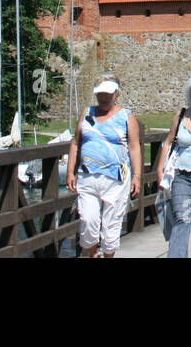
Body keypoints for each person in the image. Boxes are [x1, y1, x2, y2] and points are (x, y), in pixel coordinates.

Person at [66, 76, 142, 258]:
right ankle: (92, 253)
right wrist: (70, 171)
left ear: (116, 93)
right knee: (88, 220)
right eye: (100, 94)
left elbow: (134, 146)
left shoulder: (126, 116)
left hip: (116, 178)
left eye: (107, 94)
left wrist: (137, 176)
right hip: (87, 176)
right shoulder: (87, 113)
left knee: (111, 226)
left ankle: (108, 254)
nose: (103, 97)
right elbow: (76, 142)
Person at [155, 74, 191, 258]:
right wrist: (160, 168)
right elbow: (169, 141)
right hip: (182, 175)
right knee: (182, 219)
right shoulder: (181, 115)